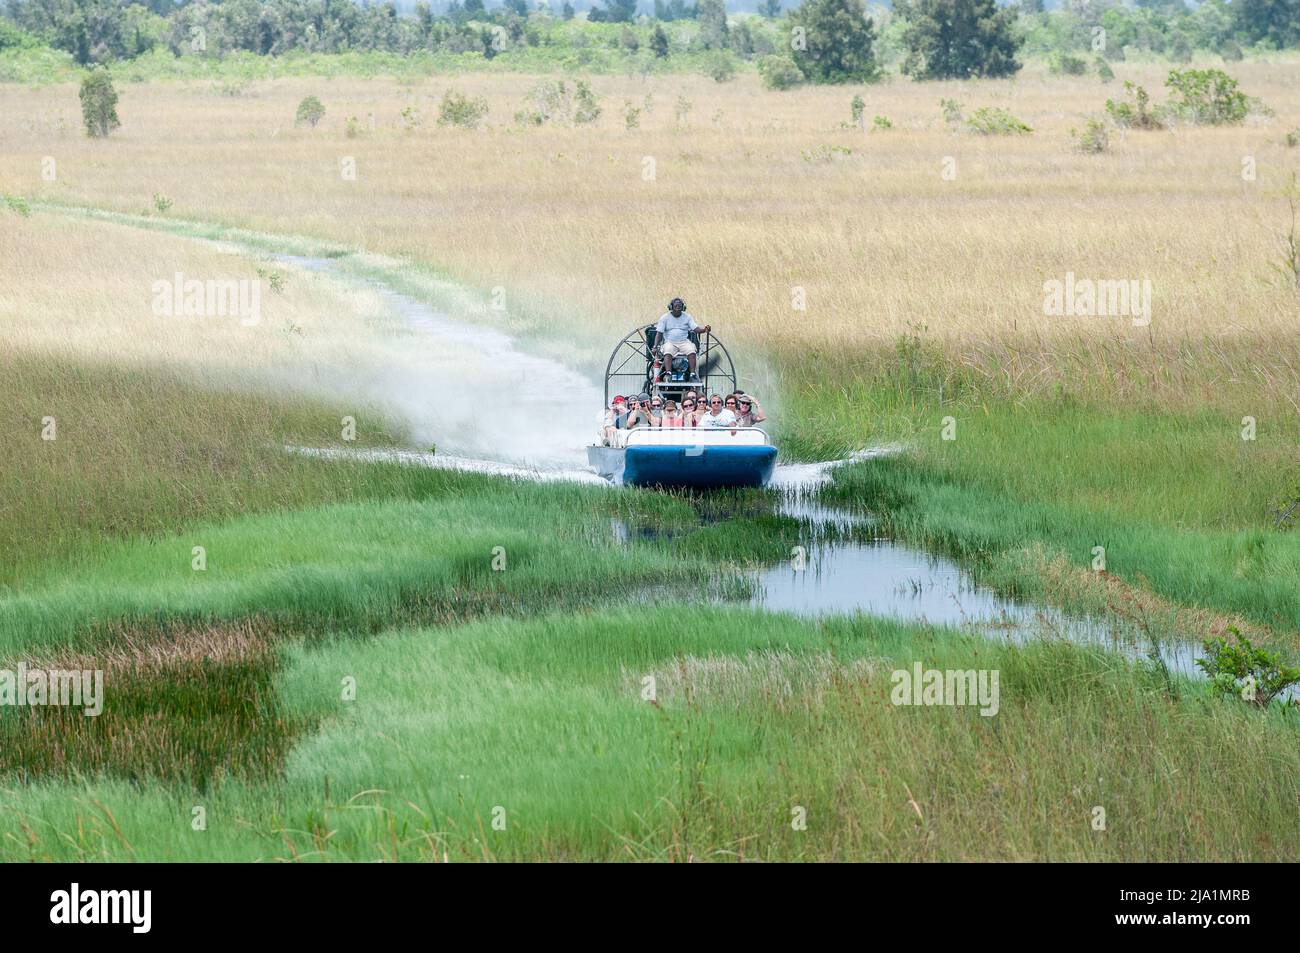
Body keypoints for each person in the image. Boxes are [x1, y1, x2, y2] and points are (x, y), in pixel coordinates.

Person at [653, 298, 711, 383]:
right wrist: (655, 346)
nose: (678, 307)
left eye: (680, 306)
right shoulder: (664, 318)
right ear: (671, 307)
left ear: (683, 307)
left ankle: (692, 374)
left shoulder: (687, 317)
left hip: (684, 342)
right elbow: (659, 333)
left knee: (691, 349)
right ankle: (668, 373)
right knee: (667, 350)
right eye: (676, 306)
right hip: (670, 342)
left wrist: (704, 330)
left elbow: (696, 329)